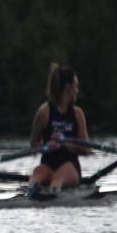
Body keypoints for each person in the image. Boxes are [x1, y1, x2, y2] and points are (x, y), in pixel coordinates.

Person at [25, 63, 90, 196]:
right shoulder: (44, 112)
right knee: (37, 174)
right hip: (48, 165)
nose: (77, 90)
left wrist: (65, 143)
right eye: (76, 86)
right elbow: (33, 145)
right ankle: (30, 191)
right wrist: (45, 147)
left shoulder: (77, 114)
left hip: (70, 167)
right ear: (68, 87)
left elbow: (86, 149)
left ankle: (53, 192)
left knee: (58, 178)